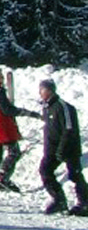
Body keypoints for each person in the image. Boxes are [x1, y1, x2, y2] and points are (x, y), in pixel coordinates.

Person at [36, 78, 88, 216]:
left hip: (69, 147)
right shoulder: (47, 107)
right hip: (52, 149)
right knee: (45, 171)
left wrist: (62, 149)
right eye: (41, 90)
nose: (42, 93)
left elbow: (69, 129)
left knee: (74, 174)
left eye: (44, 90)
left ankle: (85, 203)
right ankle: (59, 200)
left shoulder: (63, 107)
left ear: (51, 91)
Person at [0, 67, 37, 192]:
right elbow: (7, 110)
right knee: (14, 152)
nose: (2, 78)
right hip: (2, 126)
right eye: (0, 75)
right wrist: (28, 113)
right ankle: (4, 176)